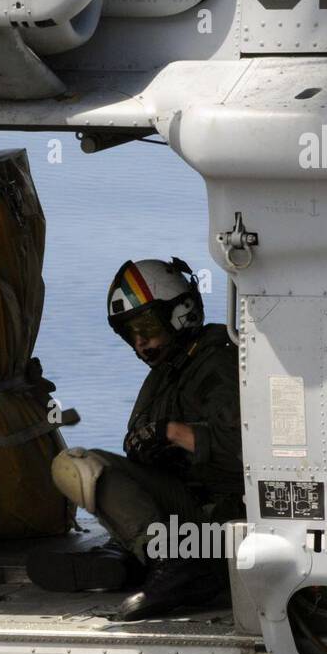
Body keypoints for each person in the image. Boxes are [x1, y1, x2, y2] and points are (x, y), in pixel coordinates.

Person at [27, 257, 244, 620]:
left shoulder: (218, 361)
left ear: (180, 313)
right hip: (195, 517)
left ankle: (175, 565)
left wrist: (172, 434)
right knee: (84, 468)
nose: (140, 342)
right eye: (131, 333)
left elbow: (249, 451)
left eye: (146, 326)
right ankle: (132, 560)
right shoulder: (169, 374)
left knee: (80, 463)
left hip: (227, 521)